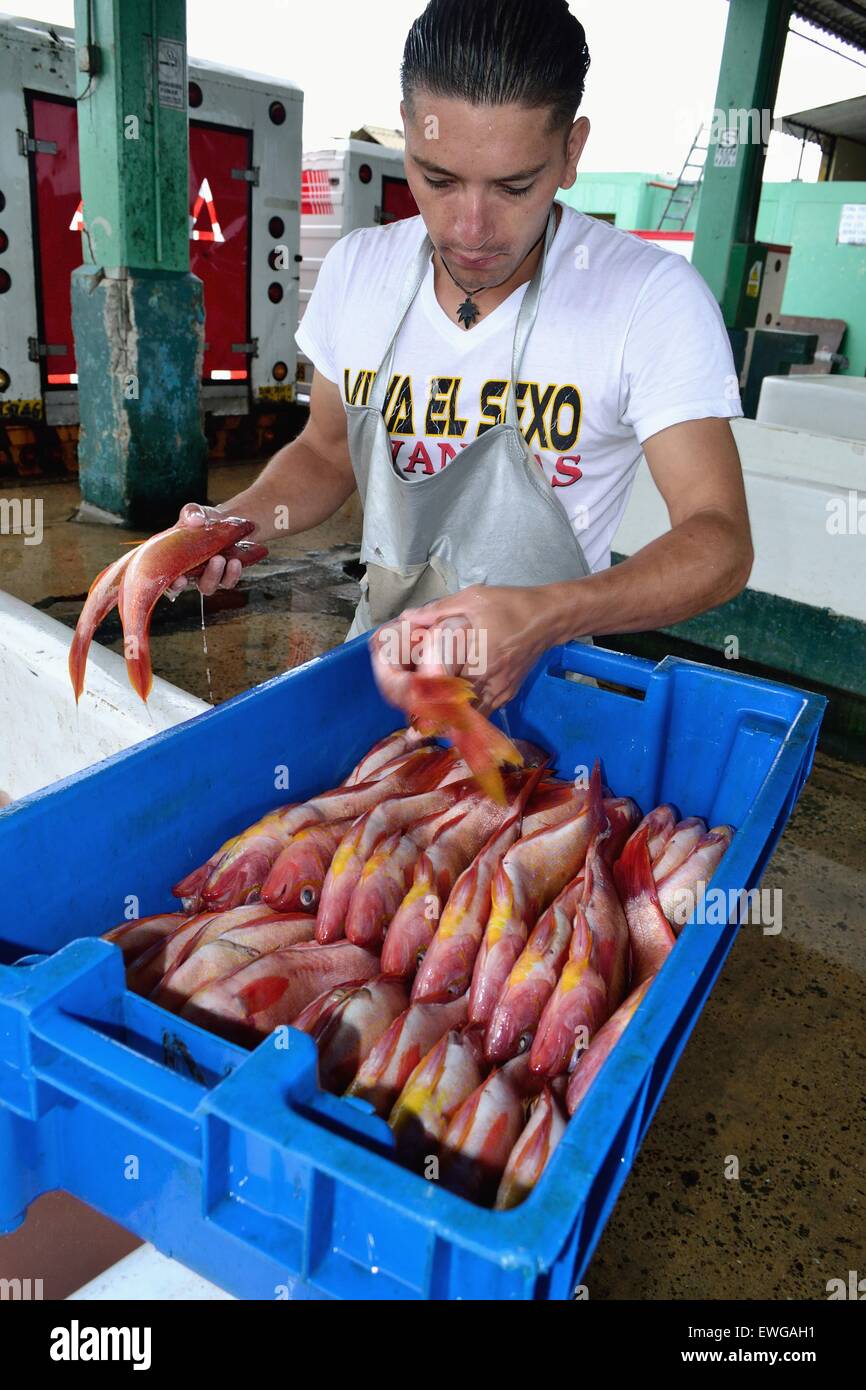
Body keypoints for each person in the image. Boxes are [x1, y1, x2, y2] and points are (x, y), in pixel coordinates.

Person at [171, 0, 752, 715]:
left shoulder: (647, 299)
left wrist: (550, 613)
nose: (470, 228)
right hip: (380, 671)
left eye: (514, 186)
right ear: (410, 133)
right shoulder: (359, 271)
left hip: (548, 699)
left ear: (571, 152)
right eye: (438, 179)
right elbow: (325, 454)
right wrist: (233, 523)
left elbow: (720, 539)